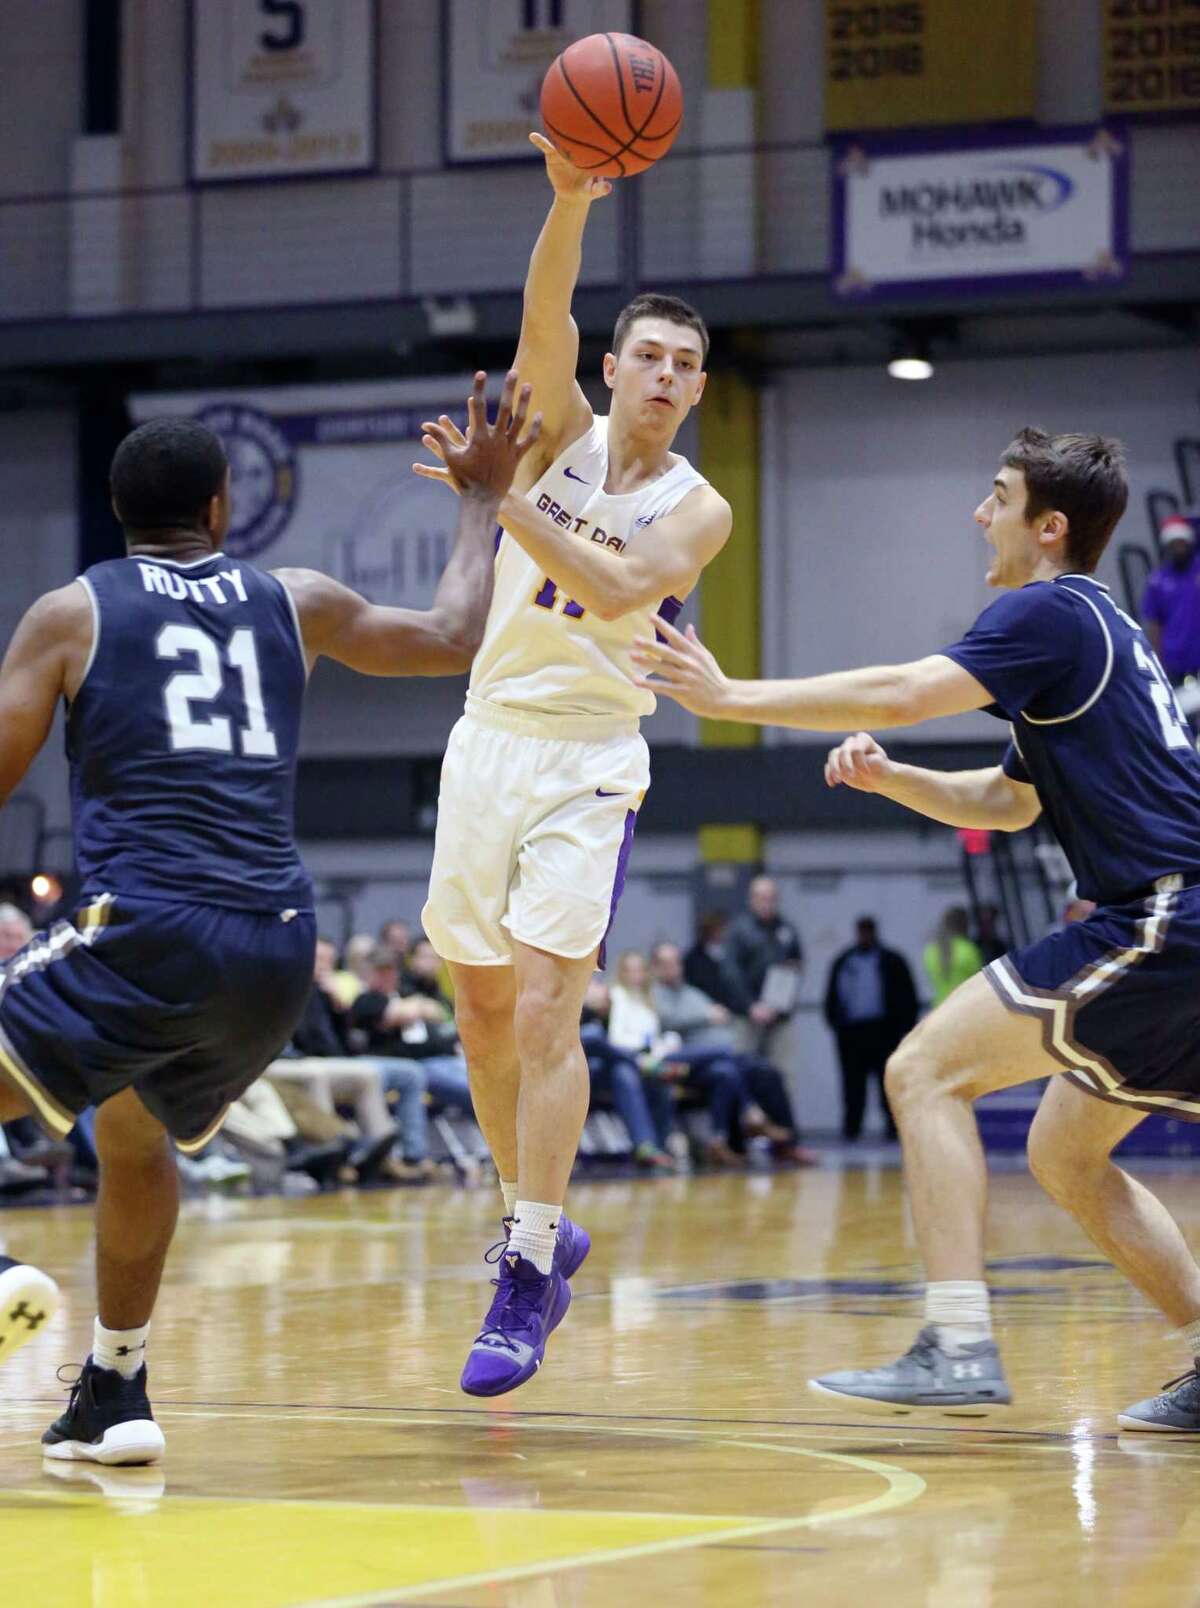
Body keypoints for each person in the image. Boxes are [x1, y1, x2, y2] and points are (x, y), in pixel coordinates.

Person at [0, 370, 540, 1464]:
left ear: (118, 512)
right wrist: (482, 500)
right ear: (220, 509)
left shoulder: (74, 611)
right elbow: (455, 634)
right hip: (278, 946)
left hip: (148, 925)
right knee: (134, 1130)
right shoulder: (296, 599)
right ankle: (115, 1388)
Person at [635, 426, 1200, 1429]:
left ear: (1049, 526)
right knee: (1064, 1153)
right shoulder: (1092, 629)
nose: (980, 513)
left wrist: (729, 697)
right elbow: (1009, 803)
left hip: (1162, 912)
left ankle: (958, 1342)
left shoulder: (1048, 611)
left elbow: (903, 691)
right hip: (1177, 919)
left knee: (922, 1072)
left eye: (999, 496)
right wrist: (894, 779)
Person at [413, 132, 732, 1398]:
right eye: (648, 355)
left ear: (699, 391)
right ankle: (527, 1221)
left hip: (591, 759)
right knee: (480, 1015)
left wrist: (501, 498)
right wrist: (566, 201)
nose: (665, 375)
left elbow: (612, 587)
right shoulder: (561, 436)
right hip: (487, 736)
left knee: (550, 1011)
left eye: (685, 365)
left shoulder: (697, 508)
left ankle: (528, 1265)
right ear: (613, 369)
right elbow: (543, 311)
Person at [650, 940, 816, 1165]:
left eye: (677, 962)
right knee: (733, 1058)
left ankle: (784, 1145)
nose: (674, 968)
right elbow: (670, 1019)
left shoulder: (689, 992)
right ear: (655, 966)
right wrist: (706, 1016)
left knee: (760, 1072)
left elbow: (720, 1015)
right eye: (667, 963)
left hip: (713, 1061)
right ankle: (751, 1115)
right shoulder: (654, 993)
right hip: (684, 1062)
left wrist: (714, 1016)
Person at [823, 917, 919, 1142]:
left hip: (884, 1030)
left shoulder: (892, 960)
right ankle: (851, 1128)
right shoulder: (844, 961)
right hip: (852, 1033)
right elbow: (832, 996)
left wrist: (905, 1028)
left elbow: (907, 995)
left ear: (875, 932)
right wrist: (836, 1023)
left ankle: (893, 1127)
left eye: (868, 931)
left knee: (888, 1080)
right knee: (852, 1084)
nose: (865, 936)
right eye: (861, 931)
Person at [579, 977, 675, 1170]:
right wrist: (585, 1007)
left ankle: (650, 1147)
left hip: (605, 1070)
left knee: (625, 1073)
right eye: (595, 985)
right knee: (593, 1034)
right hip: (574, 1074)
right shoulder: (573, 1004)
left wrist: (604, 1011)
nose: (600, 989)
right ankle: (641, 1063)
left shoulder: (613, 1010)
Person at [722, 877, 803, 1066]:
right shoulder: (739, 930)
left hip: (779, 1015)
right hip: (746, 1016)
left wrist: (777, 1004)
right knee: (743, 1069)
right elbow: (731, 972)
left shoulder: (787, 929)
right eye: (761, 898)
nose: (767, 903)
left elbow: (796, 965)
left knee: (783, 1071)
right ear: (751, 899)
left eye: (771, 898)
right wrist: (751, 1005)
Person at [1141, 515, 1200, 687]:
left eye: (1181, 543)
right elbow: (1154, 624)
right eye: (1173, 544)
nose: (1178, 548)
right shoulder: (1157, 581)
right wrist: (1159, 665)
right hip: (1176, 664)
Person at [922, 907, 984, 1007]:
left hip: (942, 1007)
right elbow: (981, 980)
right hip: (967, 1004)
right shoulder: (967, 949)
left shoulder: (930, 951)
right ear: (965, 925)